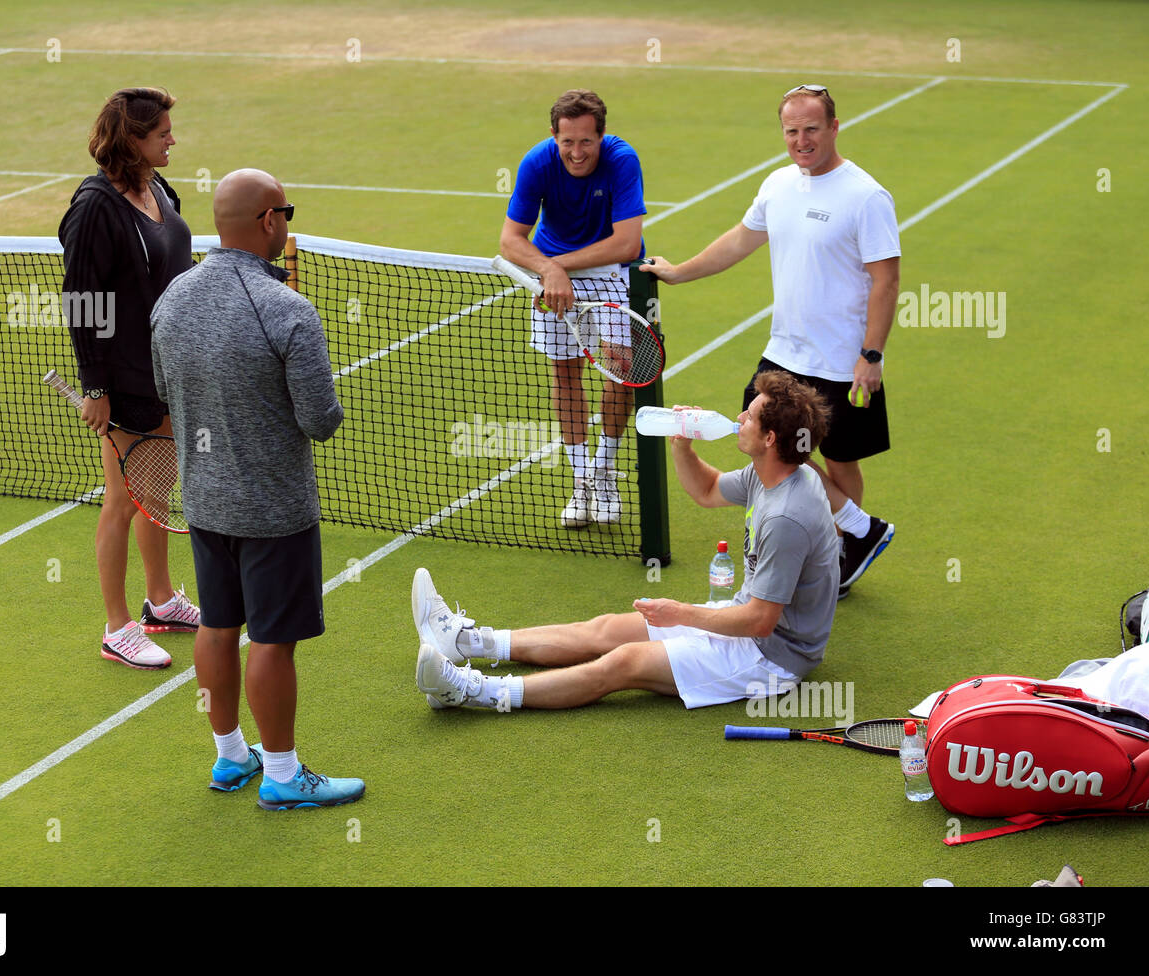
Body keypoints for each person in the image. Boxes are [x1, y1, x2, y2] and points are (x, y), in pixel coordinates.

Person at [413, 371, 839, 713]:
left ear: (769, 439)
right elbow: (707, 490)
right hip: (747, 622)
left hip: (771, 656)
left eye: (750, 416)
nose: (740, 417)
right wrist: (682, 444)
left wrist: (681, 614)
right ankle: (466, 642)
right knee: (608, 629)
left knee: (624, 662)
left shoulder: (786, 517)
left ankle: (469, 691)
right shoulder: (776, 472)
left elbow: (759, 622)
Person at [151, 168, 364, 809]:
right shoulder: (288, 310)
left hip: (204, 504)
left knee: (218, 626)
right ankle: (282, 774)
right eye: (285, 212)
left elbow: (163, 390)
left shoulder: (172, 299)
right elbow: (320, 420)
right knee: (272, 640)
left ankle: (229, 757)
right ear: (270, 221)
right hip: (274, 510)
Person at [641, 84, 901, 599]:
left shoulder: (866, 197)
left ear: (834, 127)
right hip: (783, 354)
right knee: (775, 448)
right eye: (791, 131)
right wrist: (680, 272)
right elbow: (741, 239)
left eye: (811, 129)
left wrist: (870, 355)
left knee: (839, 460)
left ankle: (843, 546)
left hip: (842, 361)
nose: (801, 140)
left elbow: (886, 280)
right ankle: (861, 529)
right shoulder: (779, 184)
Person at [58, 86, 201, 670]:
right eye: (162, 133)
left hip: (167, 369)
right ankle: (117, 628)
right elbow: (82, 300)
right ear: (133, 139)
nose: (173, 140)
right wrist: (95, 387)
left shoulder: (157, 187)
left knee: (155, 493)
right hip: (124, 377)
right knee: (123, 500)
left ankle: (161, 601)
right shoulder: (95, 207)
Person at [499, 89, 646, 528]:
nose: (577, 152)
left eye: (586, 141)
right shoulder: (536, 162)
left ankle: (604, 471)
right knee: (565, 374)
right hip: (554, 273)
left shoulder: (622, 160)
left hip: (611, 271)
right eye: (567, 142)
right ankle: (582, 480)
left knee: (621, 373)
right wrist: (548, 269)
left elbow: (627, 243)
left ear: (602, 135)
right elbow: (509, 240)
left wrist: (556, 267)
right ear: (554, 135)